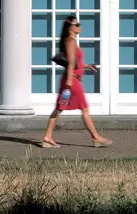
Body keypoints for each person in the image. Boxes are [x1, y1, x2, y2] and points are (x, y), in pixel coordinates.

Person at [40, 15, 112, 148]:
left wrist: (87, 66)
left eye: (79, 24)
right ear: (70, 28)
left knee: (59, 108)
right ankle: (96, 138)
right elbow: (72, 62)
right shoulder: (71, 42)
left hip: (70, 80)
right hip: (72, 81)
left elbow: (76, 62)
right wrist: (69, 81)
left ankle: (47, 137)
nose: (80, 27)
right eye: (77, 25)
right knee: (84, 108)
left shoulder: (70, 41)